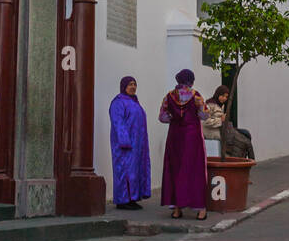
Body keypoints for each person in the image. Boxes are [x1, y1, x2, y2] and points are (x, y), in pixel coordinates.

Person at [159, 68, 208, 219]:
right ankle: (200, 209)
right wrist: (199, 108)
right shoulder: (196, 95)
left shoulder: (169, 96)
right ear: (191, 80)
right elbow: (204, 115)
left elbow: (162, 117)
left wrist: (173, 116)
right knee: (195, 169)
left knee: (175, 168)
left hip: (175, 136)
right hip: (192, 137)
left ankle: (177, 208)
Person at [109, 76, 151, 210]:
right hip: (124, 146)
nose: (133, 87)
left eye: (134, 84)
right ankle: (122, 200)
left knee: (135, 172)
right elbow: (118, 122)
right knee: (124, 172)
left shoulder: (134, 102)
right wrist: (124, 141)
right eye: (130, 84)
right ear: (123, 86)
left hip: (137, 146)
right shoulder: (118, 102)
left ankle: (132, 198)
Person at [203, 84, 255, 161]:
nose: (224, 98)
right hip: (212, 131)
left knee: (246, 133)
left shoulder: (221, 105)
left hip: (223, 128)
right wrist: (221, 120)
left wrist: (224, 119)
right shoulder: (209, 105)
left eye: (226, 97)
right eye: (222, 96)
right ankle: (239, 160)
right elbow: (205, 121)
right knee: (241, 140)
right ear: (218, 94)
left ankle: (248, 159)